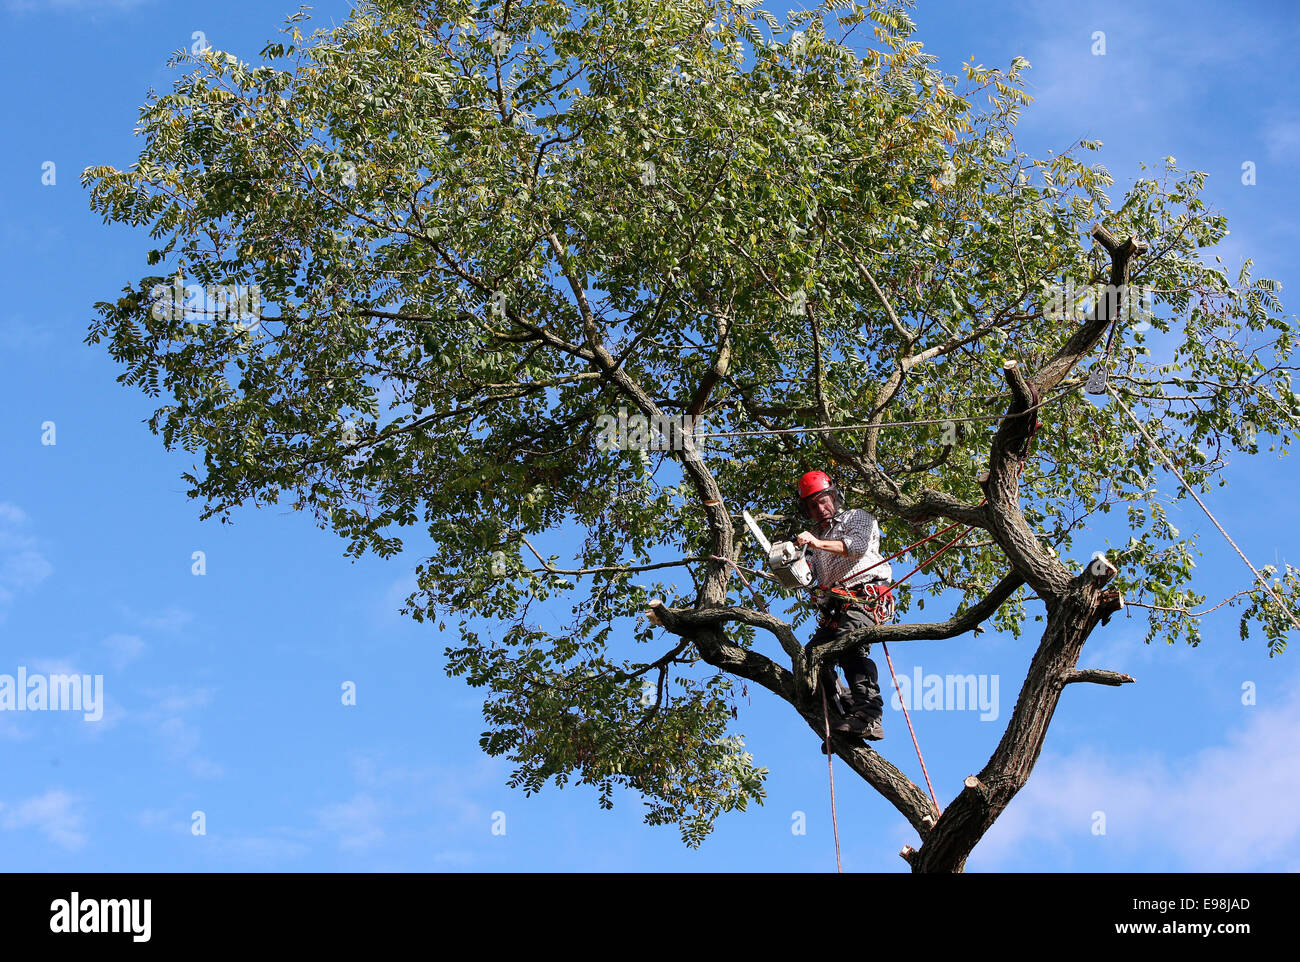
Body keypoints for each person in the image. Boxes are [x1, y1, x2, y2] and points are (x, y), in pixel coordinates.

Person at [793, 470, 894, 741]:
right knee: (810, 659)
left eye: (823, 501)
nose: (820, 509)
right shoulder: (813, 538)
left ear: (835, 496)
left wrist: (815, 542)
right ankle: (847, 713)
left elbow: (856, 547)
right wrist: (789, 562)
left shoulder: (857, 517)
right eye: (813, 506)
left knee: (850, 642)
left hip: (865, 596)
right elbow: (806, 574)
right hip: (835, 607)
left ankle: (869, 715)